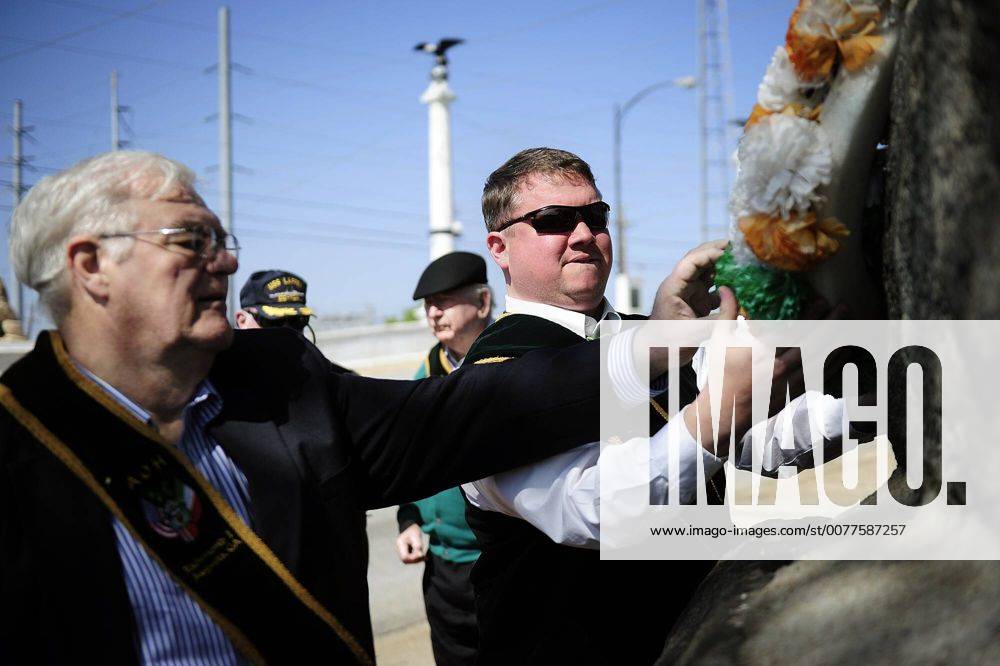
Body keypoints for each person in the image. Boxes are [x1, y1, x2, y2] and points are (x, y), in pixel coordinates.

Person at [0, 151, 682, 664]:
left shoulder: (283, 379)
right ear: (90, 266)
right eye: (192, 241)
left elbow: (474, 412)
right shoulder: (19, 446)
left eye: (222, 240)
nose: (227, 263)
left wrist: (657, 348)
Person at [461, 147, 843, 664]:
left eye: (594, 216)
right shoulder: (491, 373)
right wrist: (720, 415)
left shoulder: (649, 333)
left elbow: (757, 443)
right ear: (499, 247)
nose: (582, 235)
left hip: (702, 635)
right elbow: (595, 510)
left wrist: (867, 404)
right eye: (551, 221)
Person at [396, 251, 492, 665]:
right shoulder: (425, 376)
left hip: (501, 560)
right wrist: (409, 518)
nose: (434, 313)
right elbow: (407, 457)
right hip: (443, 570)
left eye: (446, 300)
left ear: (483, 303)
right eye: (428, 304)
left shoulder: (515, 361)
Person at [235, 269, 314, 339]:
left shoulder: (312, 355)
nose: (288, 332)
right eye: (274, 323)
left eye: (296, 321)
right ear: (242, 321)